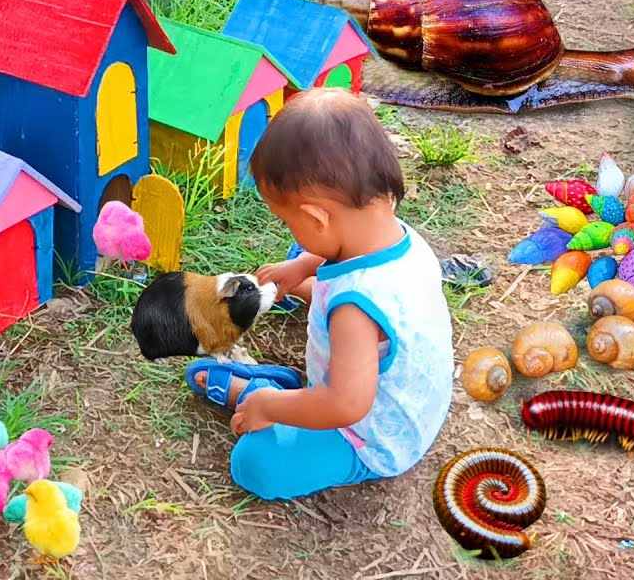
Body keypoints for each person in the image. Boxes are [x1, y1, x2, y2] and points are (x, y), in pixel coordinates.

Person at [185, 87, 453, 501]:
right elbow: (342, 254)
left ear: (316, 217)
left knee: (256, 464)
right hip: (414, 402)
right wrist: (302, 265)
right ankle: (288, 390)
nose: (289, 230)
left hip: (371, 436)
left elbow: (345, 406)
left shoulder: (354, 310)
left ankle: (263, 391)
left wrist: (269, 407)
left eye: (288, 221)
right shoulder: (398, 237)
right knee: (312, 262)